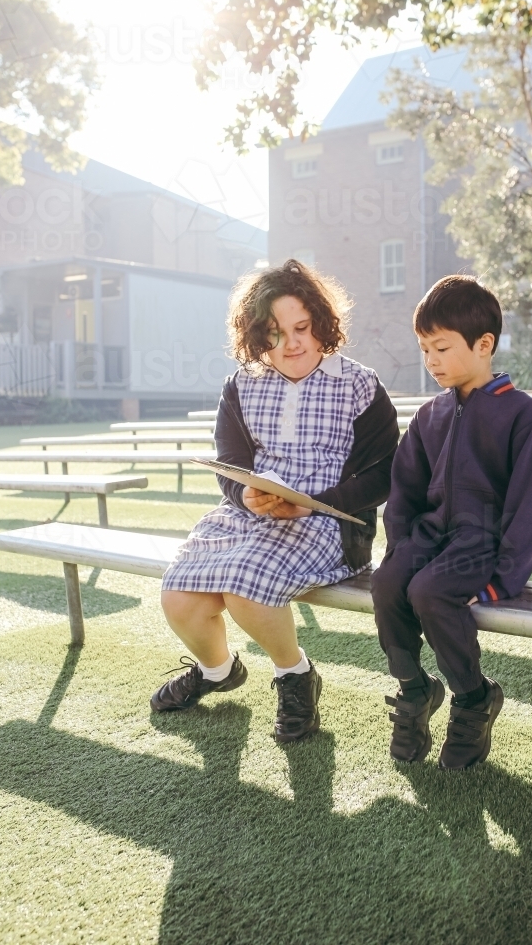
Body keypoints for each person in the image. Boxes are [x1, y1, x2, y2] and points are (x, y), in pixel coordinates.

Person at [152, 259, 400, 743]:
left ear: (321, 323)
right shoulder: (241, 385)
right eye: (274, 333)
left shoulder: (360, 385)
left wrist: (311, 503)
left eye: (302, 328)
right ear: (254, 335)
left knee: (244, 587)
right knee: (177, 595)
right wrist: (245, 495)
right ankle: (218, 669)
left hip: (329, 525)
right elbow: (231, 463)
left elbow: (385, 474)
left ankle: (295, 675)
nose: (291, 344)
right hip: (247, 520)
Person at [371, 275, 532, 769]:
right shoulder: (430, 415)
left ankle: (473, 698)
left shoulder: (519, 414)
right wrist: (402, 547)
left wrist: (502, 580)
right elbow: (404, 491)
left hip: (481, 543)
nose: (430, 360)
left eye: (441, 348)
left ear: (484, 344)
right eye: (424, 348)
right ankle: (414, 689)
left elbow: (531, 503)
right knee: (389, 582)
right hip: (430, 537)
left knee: (429, 592)